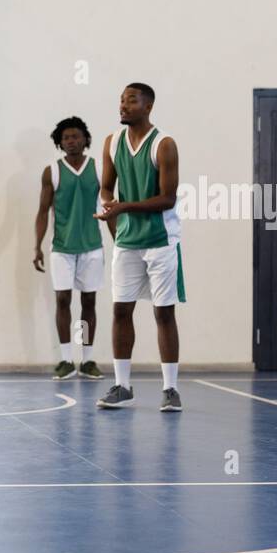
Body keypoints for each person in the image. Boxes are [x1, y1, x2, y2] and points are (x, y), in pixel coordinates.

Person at [94, 83, 184, 412]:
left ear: (148, 106)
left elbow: (167, 198)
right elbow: (106, 187)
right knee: (120, 310)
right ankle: (122, 385)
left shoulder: (164, 145)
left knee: (163, 313)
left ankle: (171, 389)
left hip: (161, 240)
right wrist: (108, 207)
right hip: (127, 241)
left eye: (131, 101)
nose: (122, 106)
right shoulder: (111, 142)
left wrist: (123, 208)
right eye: (120, 100)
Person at [34, 116, 104, 380]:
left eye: (75, 136)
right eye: (66, 138)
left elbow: (109, 206)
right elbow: (42, 212)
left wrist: (119, 239)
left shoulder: (99, 169)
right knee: (63, 300)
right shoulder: (51, 171)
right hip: (61, 247)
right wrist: (37, 246)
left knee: (89, 301)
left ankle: (87, 360)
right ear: (59, 143)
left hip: (92, 246)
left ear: (85, 139)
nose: (71, 141)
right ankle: (66, 359)